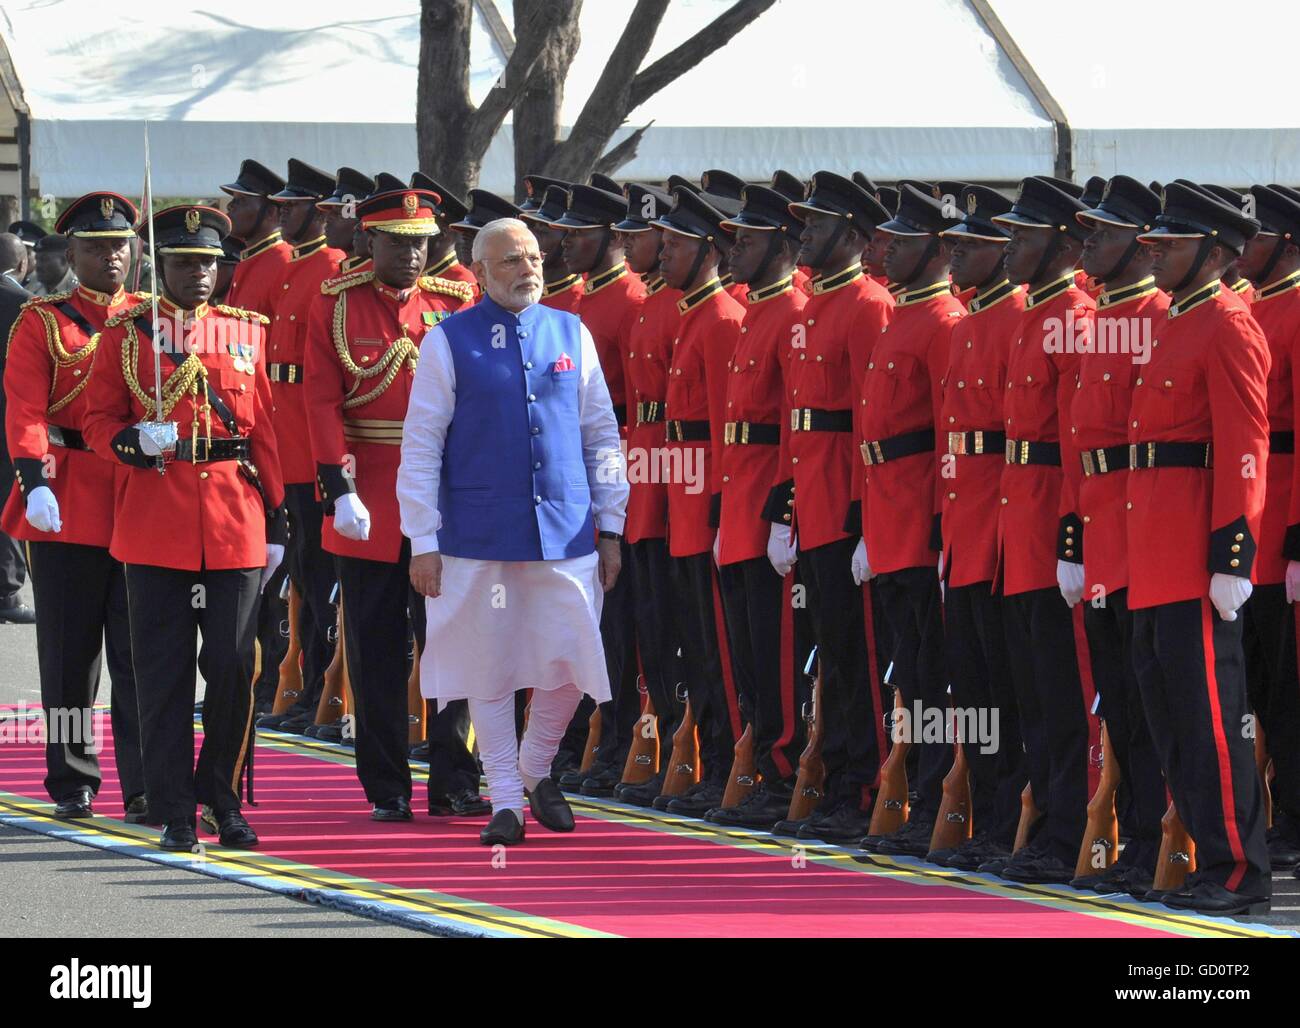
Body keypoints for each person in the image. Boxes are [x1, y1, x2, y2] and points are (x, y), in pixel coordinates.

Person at [397, 217, 628, 845]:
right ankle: (505, 797)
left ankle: (535, 765)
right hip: (477, 533)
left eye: (532, 257)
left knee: (571, 660)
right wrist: (423, 539)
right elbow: (421, 444)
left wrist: (612, 524)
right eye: (509, 261)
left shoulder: (571, 332)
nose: (527, 268)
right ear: (478, 272)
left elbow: (601, 435)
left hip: (567, 528)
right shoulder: (448, 342)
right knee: (489, 666)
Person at [81, 204, 287, 851]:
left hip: (234, 523)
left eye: (208, 264)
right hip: (156, 522)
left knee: (231, 668)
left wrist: (278, 520)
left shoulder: (246, 332)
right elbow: (94, 419)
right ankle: (174, 810)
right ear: (160, 265)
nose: (199, 275)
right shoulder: (126, 335)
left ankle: (220, 796)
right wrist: (127, 441)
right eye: (185, 263)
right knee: (162, 675)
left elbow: (266, 430)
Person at [304, 185, 482, 821]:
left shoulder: (455, 303)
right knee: (377, 651)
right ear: (367, 242)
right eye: (397, 243)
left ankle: (456, 779)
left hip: (441, 500)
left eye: (421, 245)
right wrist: (338, 486)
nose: (411, 256)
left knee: (454, 645)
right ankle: (388, 786)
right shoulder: (337, 308)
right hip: (370, 495)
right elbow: (321, 402)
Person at [1126, 182, 1272, 914]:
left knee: (1214, 723)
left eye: (1171, 245)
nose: (1156, 253)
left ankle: (1239, 869)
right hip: (1152, 554)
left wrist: (1233, 555)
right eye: (1153, 243)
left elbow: (1246, 447)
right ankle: (1201, 856)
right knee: (1172, 719)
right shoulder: (1170, 322)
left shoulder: (1228, 324)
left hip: (1193, 557)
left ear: (1215, 254)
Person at [2, 192, 146, 821]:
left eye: (118, 246)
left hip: (142, 497)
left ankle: (147, 778)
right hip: (67, 497)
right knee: (68, 654)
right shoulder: (42, 321)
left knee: (143, 651)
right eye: (95, 247)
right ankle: (72, 777)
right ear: (72, 253)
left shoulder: (153, 318)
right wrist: (32, 480)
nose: (109, 257)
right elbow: (25, 408)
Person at [772, 172, 893, 842]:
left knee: (859, 661)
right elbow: (801, 424)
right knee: (834, 659)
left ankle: (866, 786)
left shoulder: (868, 306)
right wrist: (790, 508)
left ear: (851, 235)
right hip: (815, 506)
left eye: (817, 225)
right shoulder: (815, 307)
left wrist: (863, 522)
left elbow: (871, 426)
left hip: (847, 508)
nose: (804, 234)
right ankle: (840, 777)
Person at [853, 184, 965, 855]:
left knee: (933, 673)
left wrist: (936, 523)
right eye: (888, 238)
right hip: (890, 517)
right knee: (909, 673)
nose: (888, 248)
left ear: (938, 248)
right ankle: (919, 795)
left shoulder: (944, 323)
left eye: (904, 239)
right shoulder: (902, 317)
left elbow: (951, 435)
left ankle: (937, 798)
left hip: (922, 516)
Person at [1067, 176, 1170, 895]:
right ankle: (1132, 834)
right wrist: (1075, 538)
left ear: (1140, 243)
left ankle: (1160, 831)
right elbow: (1082, 443)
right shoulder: (1103, 320)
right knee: (1118, 700)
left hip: (1143, 539)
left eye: (1102, 234)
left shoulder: (1159, 319)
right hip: (1100, 533)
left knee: (1148, 698)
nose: (1088, 245)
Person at [704, 184, 813, 828]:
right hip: (740, 499)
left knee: (776, 652)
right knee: (746, 649)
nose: (734, 249)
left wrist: (784, 511)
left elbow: (796, 429)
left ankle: (783, 770)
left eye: (747, 239)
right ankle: (759, 762)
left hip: (770, 500)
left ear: (779, 244)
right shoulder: (755, 314)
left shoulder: (793, 314)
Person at [927, 184, 1028, 871]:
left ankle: (1015, 817)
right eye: (953, 244)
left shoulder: (1021, 319)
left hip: (1004, 529)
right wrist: (945, 529)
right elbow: (950, 442)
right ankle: (987, 818)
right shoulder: (967, 325)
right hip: (966, 529)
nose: (954, 255)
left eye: (967, 245)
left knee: (1015, 689)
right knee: (976, 689)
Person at [649, 187, 745, 815]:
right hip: (683, 494)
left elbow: (723, 427)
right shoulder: (693, 314)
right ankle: (706, 756)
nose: (664, 253)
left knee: (718, 646)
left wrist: (716, 510)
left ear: (709, 249)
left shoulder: (720, 321)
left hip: (705, 495)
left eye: (678, 244)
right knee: (692, 639)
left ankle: (726, 761)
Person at [553, 184, 646, 795]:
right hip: (577, 476)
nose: (565, 242)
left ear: (613, 239)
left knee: (626, 627)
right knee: (584, 622)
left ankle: (620, 739)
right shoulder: (577, 305)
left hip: (622, 468)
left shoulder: (631, 300)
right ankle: (591, 737)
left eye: (580, 233)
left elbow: (627, 408)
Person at [254, 159, 345, 735]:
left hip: (310, 441)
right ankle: (296, 686)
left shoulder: (331, 267)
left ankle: (318, 689)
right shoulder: (295, 266)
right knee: (297, 579)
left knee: (317, 576)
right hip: (281, 434)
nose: (283, 212)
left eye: (293, 205)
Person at [608, 183, 687, 804]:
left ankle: (686, 749)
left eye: (645, 234)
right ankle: (643, 741)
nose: (635, 243)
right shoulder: (649, 302)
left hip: (673, 475)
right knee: (644, 626)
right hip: (640, 467)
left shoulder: (670, 303)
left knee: (672, 627)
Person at [0, 232, 35, 624]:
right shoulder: (26, 305)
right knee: (9, 497)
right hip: (9, 414)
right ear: (23, 264)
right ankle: (7, 592)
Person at [220, 158, 293, 319]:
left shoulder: (285, 262)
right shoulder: (247, 259)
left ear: (270, 213)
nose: (230, 206)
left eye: (241, 200)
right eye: (233, 199)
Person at [518, 179, 583, 312]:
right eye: (532, 230)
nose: (533, 241)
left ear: (567, 239)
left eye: (542, 232)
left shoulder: (580, 300)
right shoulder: (520, 297)